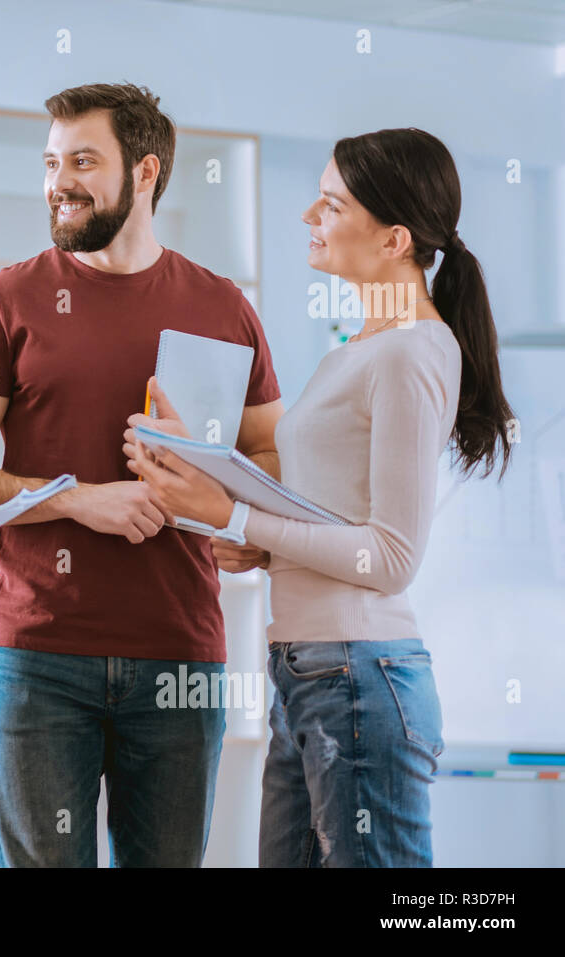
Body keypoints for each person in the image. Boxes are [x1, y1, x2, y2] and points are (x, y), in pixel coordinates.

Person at [0, 82, 284, 867]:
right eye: (51, 162)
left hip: (182, 655)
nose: (59, 181)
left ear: (145, 172)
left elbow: (272, 463)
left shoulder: (224, 307)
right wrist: (77, 500)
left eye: (83, 159)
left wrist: (230, 519)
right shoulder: (7, 301)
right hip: (38, 658)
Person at [128, 127, 515, 867]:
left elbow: (391, 555)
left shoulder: (410, 351)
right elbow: (332, 515)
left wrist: (231, 512)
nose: (310, 215)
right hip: (310, 671)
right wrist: (255, 534)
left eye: (331, 204)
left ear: (394, 238)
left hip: (358, 676)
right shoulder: (361, 347)